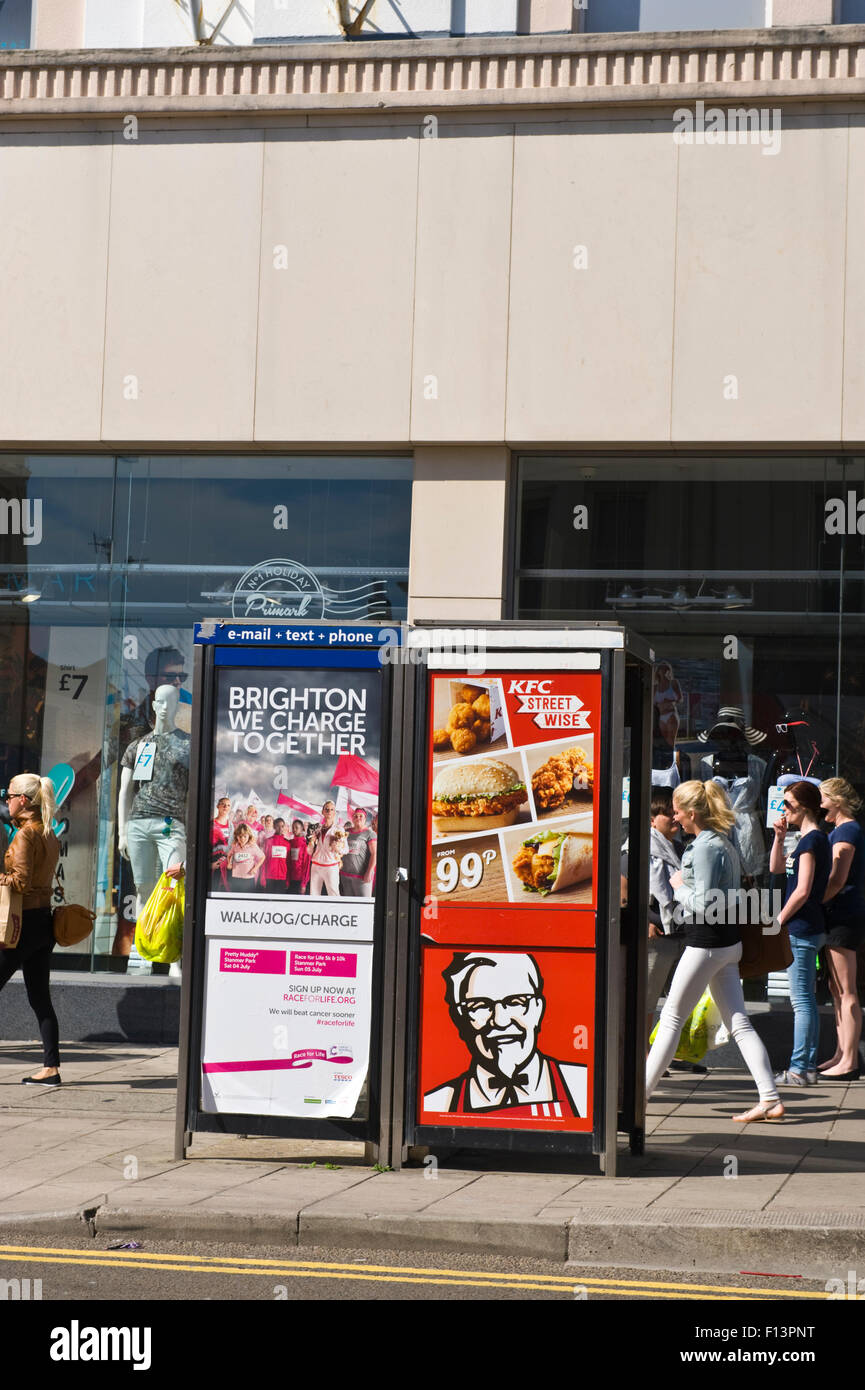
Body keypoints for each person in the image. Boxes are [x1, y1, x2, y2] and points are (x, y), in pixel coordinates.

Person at [646, 780, 783, 1122]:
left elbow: (706, 903)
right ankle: (769, 1098)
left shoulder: (706, 847)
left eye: (677, 810)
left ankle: (639, 1097)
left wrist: (678, 888)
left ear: (692, 813)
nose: (674, 816)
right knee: (739, 1023)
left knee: (671, 1020)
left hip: (706, 943)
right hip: (725, 943)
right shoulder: (721, 842)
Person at [423, 952, 587, 1117]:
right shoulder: (437, 1104)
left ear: (538, 1009)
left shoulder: (581, 1087)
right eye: (480, 1005)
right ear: (460, 1018)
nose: (500, 1021)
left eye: (516, 1002)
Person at [0, 775, 62, 1086]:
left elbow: (20, 882)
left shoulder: (25, 834)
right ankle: (51, 1068)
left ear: (23, 800)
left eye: (8, 794)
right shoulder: (49, 832)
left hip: (20, 925)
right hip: (43, 923)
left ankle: (51, 1068)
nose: (6, 800)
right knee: (40, 997)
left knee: (39, 997)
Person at [770, 779, 830, 1088]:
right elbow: (777, 870)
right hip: (806, 927)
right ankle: (804, 1067)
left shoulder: (812, 841)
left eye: (788, 804)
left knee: (802, 1002)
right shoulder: (807, 839)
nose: (784, 809)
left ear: (804, 807)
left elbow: (802, 890)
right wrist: (779, 838)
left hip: (802, 928)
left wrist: (777, 921)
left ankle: (800, 1068)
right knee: (805, 1000)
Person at [818, 777, 864, 1080]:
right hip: (841, 915)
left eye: (823, 798)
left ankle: (849, 1059)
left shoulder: (846, 832)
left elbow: (837, 879)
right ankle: (841, 1052)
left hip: (844, 916)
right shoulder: (842, 830)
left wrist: (816, 901)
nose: (820, 804)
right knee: (837, 989)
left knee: (847, 991)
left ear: (837, 800)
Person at [646, 786, 686, 1042]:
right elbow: (622, 890)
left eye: (676, 812)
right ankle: (642, 1055)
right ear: (651, 820)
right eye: (667, 813)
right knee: (647, 1000)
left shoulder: (680, 850)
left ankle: (672, 1052)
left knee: (678, 1002)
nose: (674, 818)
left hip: (681, 933)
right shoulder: (638, 850)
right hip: (657, 936)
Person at [339, 807, 377, 897]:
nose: (358, 818)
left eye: (361, 816)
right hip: (345, 874)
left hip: (362, 877)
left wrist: (369, 872)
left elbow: (374, 854)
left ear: (365, 819)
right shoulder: (346, 832)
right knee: (349, 905)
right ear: (352, 818)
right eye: (355, 816)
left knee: (363, 905)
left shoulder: (370, 833)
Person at [308, 801, 342, 897]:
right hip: (316, 865)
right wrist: (311, 843)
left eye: (332, 809)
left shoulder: (339, 830)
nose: (329, 811)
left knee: (334, 894)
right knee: (313, 895)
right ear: (323, 812)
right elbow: (309, 852)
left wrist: (337, 847)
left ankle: (336, 912)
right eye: (326, 809)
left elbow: (345, 849)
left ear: (334, 813)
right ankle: (314, 912)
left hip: (331, 866)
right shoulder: (317, 829)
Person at [225, 822, 265, 890]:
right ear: (236, 836)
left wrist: (255, 868)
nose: (242, 839)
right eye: (240, 836)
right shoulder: (235, 845)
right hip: (236, 877)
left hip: (248, 878)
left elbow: (262, 857)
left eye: (245, 836)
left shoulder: (253, 846)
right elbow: (229, 855)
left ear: (249, 836)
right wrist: (229, 863)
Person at [263, 817, 292, 893]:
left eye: (282, 826)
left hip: (282, 877)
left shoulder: (287, 843)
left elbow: (288, 863)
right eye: (278, 826)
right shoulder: (268, 841)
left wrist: (287, 879)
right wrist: (263, 877)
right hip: (269, 876)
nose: (280, 828)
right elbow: (264, 861)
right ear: (274, 826)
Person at [211, 796, 231, 892]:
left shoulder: (231, 826)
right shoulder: (211, 824)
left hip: (226, 865)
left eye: (228, 805)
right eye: (223, 804)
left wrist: (229, 861)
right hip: (213, 864)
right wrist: (209, 865)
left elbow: (232, 846)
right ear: (218, 806)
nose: (225, 807)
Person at [287, 819, 311, 895]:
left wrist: (303, 884)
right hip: (290, 879)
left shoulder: (305, 845)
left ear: (302, 829)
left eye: (296, 827)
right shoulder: (290, 843)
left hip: (300, 880)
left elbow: (306, 866)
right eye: (293, 827)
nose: (294, 829)